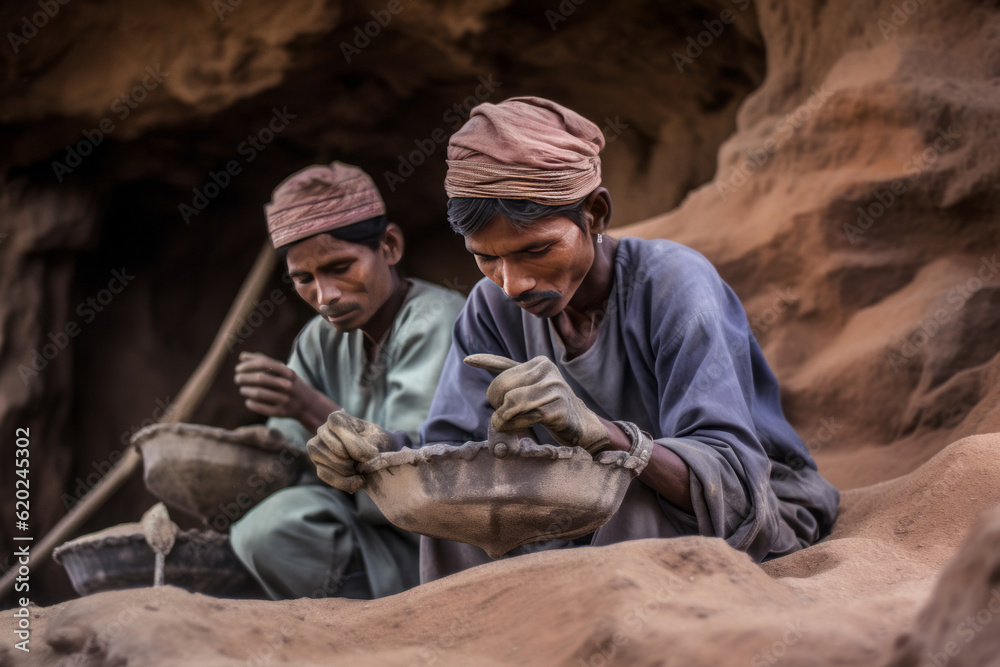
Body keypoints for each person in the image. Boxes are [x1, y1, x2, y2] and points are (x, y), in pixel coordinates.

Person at [306, 98, 840, 583]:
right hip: (576, 517)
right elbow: (457, 456)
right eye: (485, 257)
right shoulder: (489, 306)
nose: (512, 283)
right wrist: (382, 454)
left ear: (595, 214)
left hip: (750, 507)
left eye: (536, 250)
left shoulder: (676, 285)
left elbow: (733, 482)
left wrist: (604, 435)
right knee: (456, 517)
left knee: (622, 495)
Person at [228, 161, 465, 599]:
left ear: (389, 246)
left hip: (438, 537)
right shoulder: (318, 340)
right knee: (268, 528)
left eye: (340, 266)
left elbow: (421, 465)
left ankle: (391, 622)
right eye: (304, 279)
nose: (325, 295)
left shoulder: (438, 318)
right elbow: (293, 461)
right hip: (360, 525)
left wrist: (305, 406)